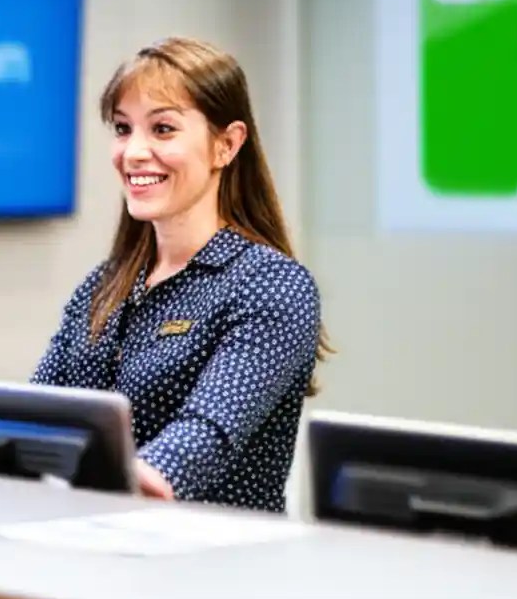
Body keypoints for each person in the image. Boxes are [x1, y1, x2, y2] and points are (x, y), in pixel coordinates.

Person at [31, 37, 330, 513]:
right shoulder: (103, 287)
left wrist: (84, 477)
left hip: (217, 554)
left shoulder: (272, 286)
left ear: (226, 145)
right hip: (94, 538)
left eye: (163, 129)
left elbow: (202, 438)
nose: (133, 152)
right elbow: (34, 418)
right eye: (123, 129)